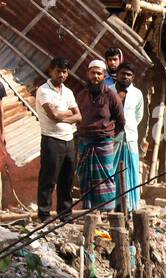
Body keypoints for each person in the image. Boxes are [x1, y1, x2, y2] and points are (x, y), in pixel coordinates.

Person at [75, 60, 126, 210]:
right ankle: (88, 208)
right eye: (93, 73)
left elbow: (121, 121)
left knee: (106, 177)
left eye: (99, 73)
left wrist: (108, 135)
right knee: (85, 176)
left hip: (103, 143)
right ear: (87, 74)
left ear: (104, 76)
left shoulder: (111, 95)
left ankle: (105, 210)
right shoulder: (82, 95)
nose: (95, 76)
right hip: (85, 141)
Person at [35, 57, 81, 221]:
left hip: (69, 140)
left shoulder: (67, 92)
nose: (61, 75)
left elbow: (79, 116)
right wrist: (67, 113)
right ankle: (44, 214)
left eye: (64, 71)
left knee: (67, 179)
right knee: (48, 178)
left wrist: (63, 115)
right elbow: (53, 116)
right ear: (51, 71)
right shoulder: (43, 90)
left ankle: (65, 214)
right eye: (58, 71)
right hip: (51, 139)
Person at [116, 62, 145, 211]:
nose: (125, 77)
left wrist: (128, 126)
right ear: (117, 74)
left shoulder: (137, 94)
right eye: (123, 74)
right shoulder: (109, 91)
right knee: (113, 171)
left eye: (129, 75)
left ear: (133, 77)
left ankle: (130, 205)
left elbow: (138, 115)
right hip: (113, 138)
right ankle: (114, 204)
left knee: (131, 170)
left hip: (130, 137)